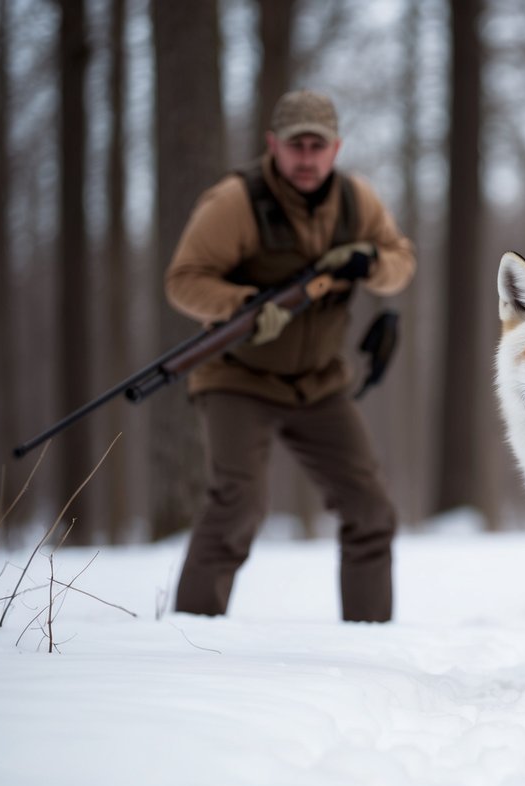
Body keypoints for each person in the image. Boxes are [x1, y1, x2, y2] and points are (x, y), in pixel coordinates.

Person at [165, 90, 415, 622]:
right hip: (237, 378)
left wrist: (369, 261)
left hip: (320, 382)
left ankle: (367, 644)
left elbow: (401, 263)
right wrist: (244, 306)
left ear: (336, 148)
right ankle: (186, 641)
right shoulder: (233, 202)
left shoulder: (357, 200)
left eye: (317, 145)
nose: (307, 157)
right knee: (239, 504)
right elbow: (183, 283)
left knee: (371, 510)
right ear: (272, 145)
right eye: (296, 145)